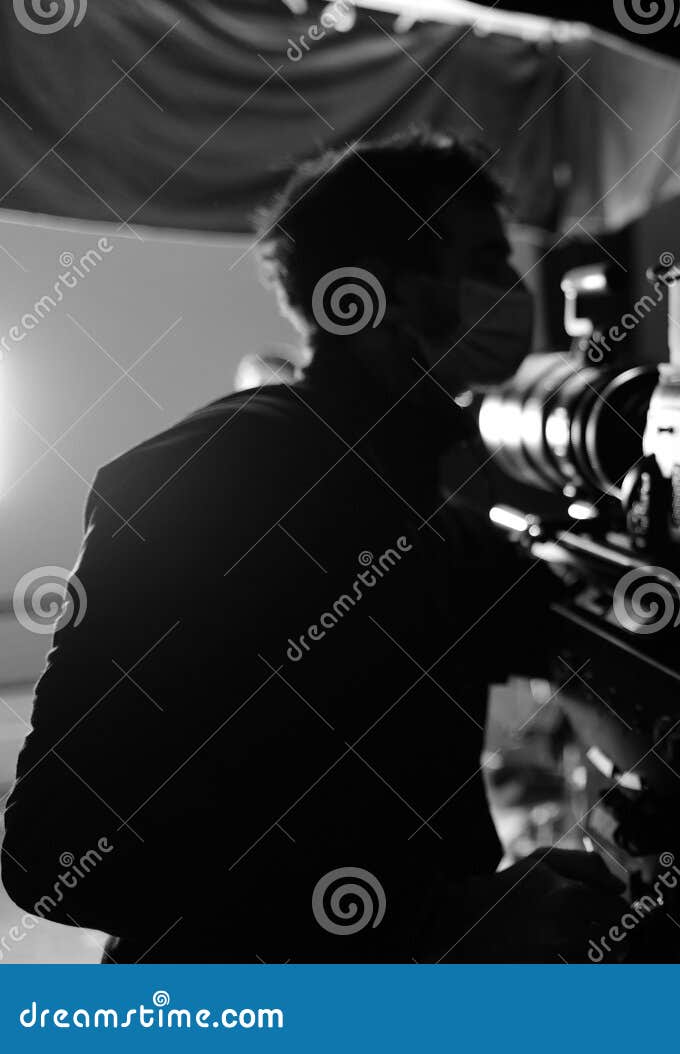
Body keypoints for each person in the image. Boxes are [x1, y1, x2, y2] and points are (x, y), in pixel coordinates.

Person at [1, 130, 624, 961]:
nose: (510, 291)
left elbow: (528, 612)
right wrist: (436, 922)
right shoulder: (218, 471)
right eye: (480, 262)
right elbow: (57, 853)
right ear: (371, 293)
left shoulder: (421, 496)